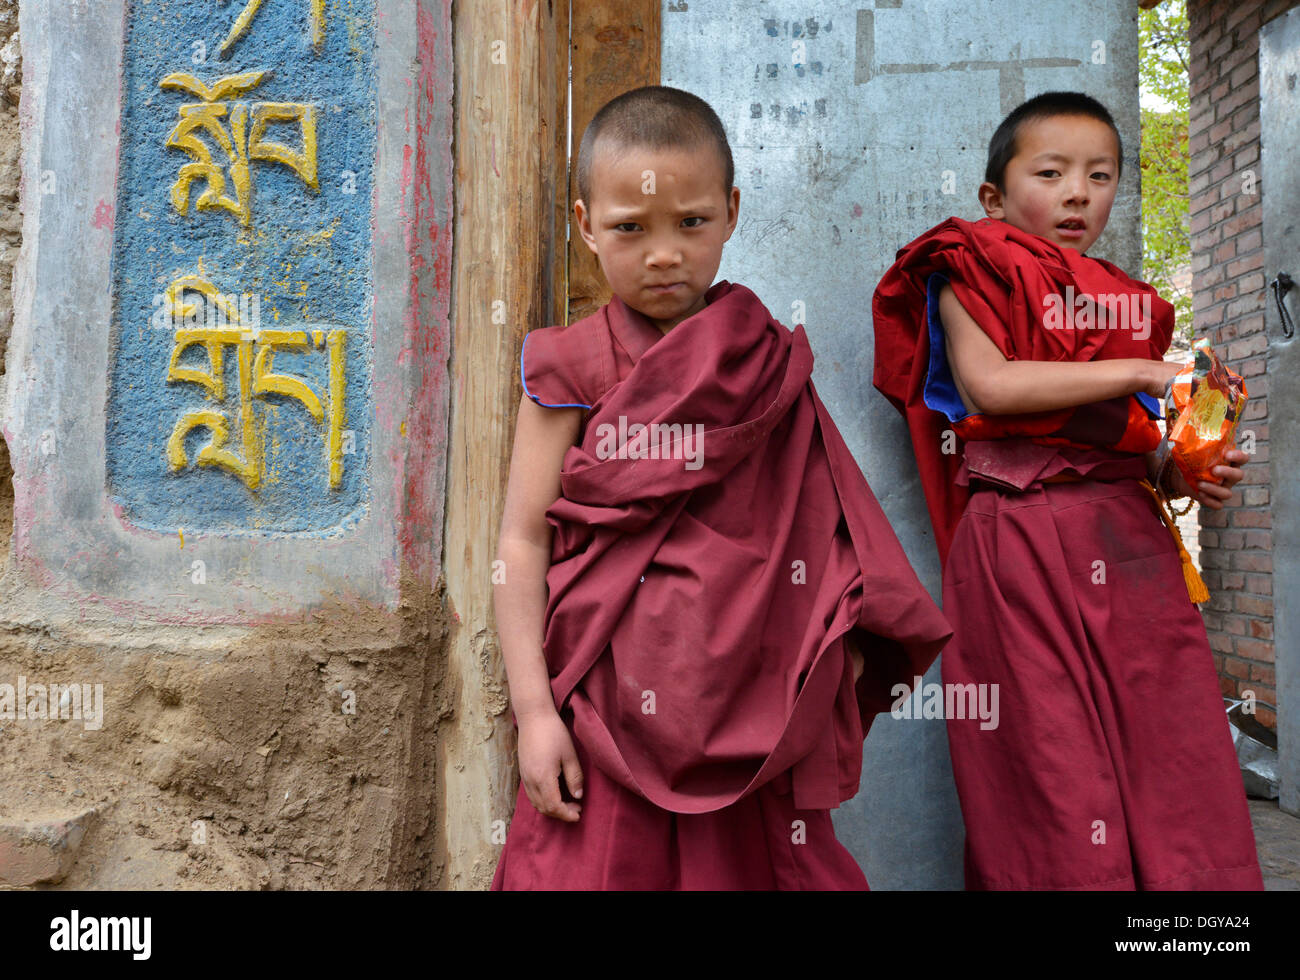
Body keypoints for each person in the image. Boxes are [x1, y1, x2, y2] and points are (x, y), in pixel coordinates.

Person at [490, 85, 952, 890]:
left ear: (733, 212)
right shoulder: (566, 366)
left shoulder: (764, 363)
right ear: (585, 224)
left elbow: (828, 527)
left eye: (691, 223)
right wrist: (534, 713)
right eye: (630, 228)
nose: (663, 253)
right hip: (604, 703)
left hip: (751, 698)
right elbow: (522, 540)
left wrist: (834, 647)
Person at [872, 91, 1263, 890]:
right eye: (1051, 173)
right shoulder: (966, 271)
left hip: (1126, 540)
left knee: (1174, 749)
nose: (1079, 193)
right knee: (1050, 761)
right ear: (995, 196)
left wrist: (1181, 468)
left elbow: (1132, 443)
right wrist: (1146, 373)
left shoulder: (1123, 302)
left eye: (1101, 175)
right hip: (1017, 537)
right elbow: (992, 388)